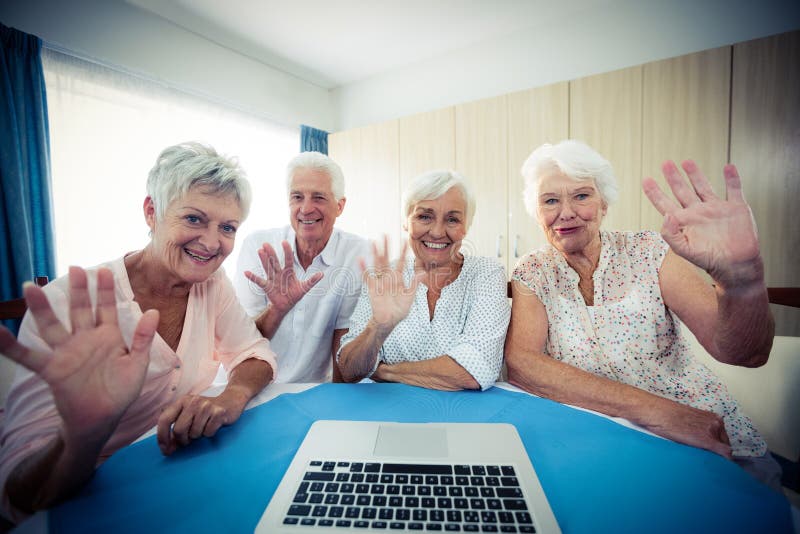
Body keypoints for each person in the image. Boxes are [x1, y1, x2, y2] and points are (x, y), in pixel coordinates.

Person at [0, 142, 277, 522]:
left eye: (227, 227)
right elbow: (20, 493)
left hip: (178, 477)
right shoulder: (67, 304)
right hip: (85, 500)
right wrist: (83, 433)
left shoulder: (213, 283)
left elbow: (254, 352)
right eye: (194, 219)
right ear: (152, 212)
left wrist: (233, 394)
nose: (212, 243)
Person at [504, 140, 780, 488]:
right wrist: (659, 412)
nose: (566, 212)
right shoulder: (533, 269)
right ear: (536, 211)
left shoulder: (650, 251)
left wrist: (742, 281)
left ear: (604, 203)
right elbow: (524, 365)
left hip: (702, 429)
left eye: (582, 196)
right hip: (605, 437)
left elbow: (746, 353)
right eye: (550, 200)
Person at [337, 170, 510, 391]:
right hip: (388, 412)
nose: (437, 232)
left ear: (465, 227)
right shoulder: (385, 276)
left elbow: (472, 372)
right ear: (406, 222)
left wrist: (383, 371)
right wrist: (378, 327)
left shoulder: (487, 274)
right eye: (424, 216)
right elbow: (350, 370)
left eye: (452, 219)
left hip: (462, 415)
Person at [234, 151, 367, 383]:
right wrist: (276, 310)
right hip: (251, 383)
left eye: (318, 198)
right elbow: (241, 342)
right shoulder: (258, 245)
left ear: (340, 206)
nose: (305, 209)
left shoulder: (357, 253)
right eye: (297, 197)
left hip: (313, 390)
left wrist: (335, 408)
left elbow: (343, 352)